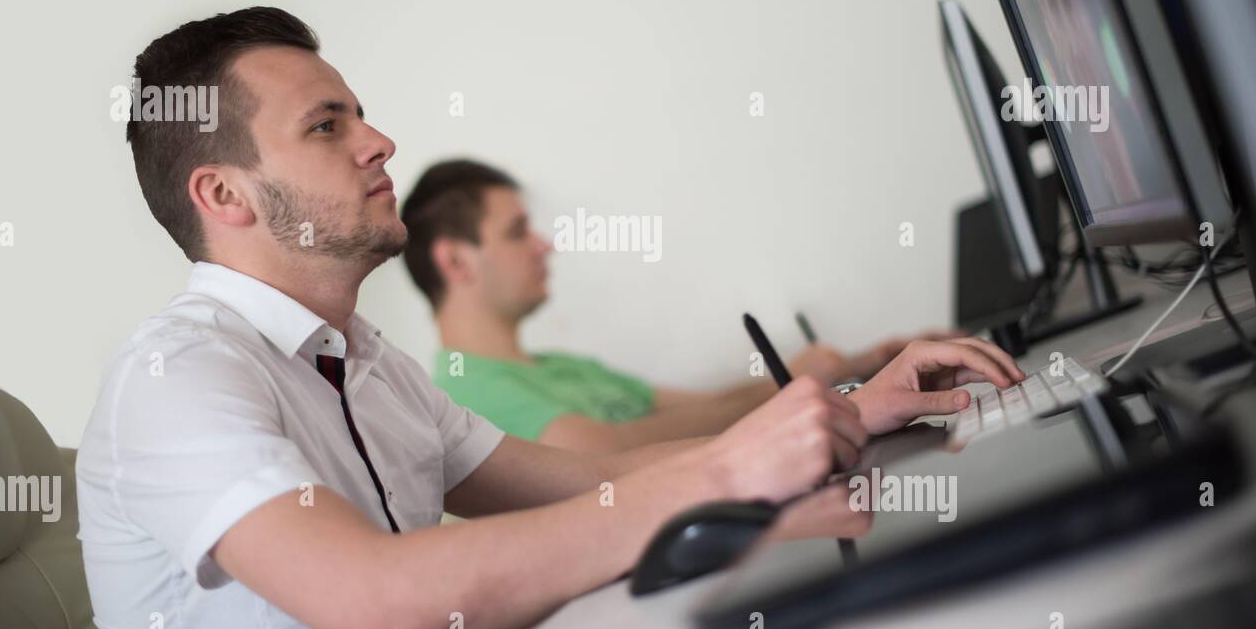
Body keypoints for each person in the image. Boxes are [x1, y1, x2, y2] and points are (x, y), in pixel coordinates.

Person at [76, 6, 1024, 629]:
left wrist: (852, 410)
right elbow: (383, 610)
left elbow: (591, 485)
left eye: (360, 114)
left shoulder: (367, 363)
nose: (380, 142)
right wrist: (729, 478)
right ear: (224, 194)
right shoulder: (175, 377)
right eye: (328, 126)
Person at [401, 158, 965, 452]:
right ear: (457, 262)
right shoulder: (465, 391)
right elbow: (614, 453)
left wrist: (864, 364)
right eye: (518, 231)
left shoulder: (560, 369)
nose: (544, 244)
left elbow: (709, 406)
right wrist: (805, 388)